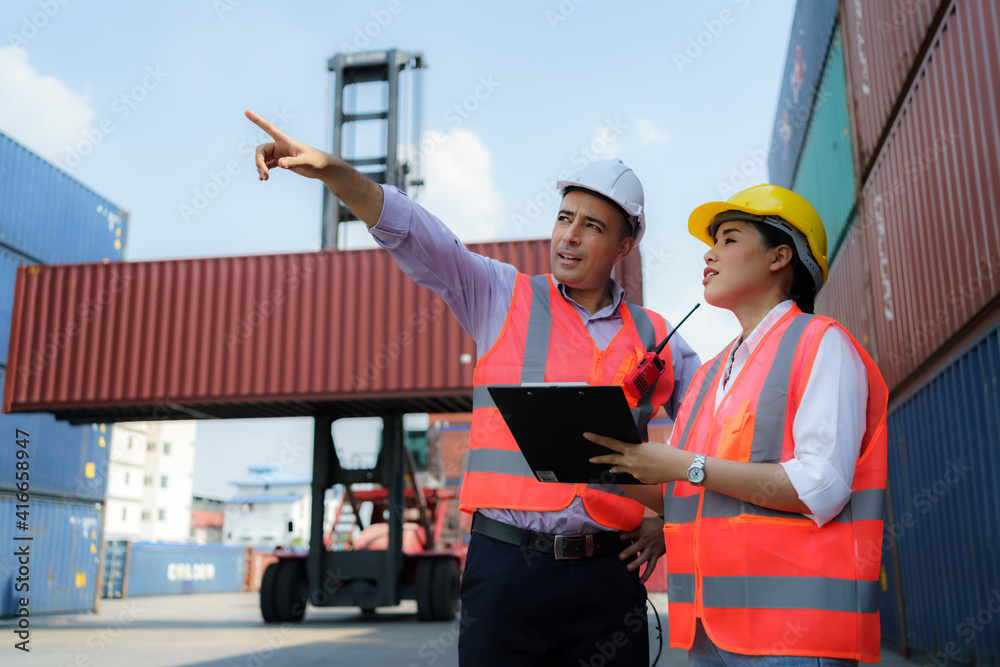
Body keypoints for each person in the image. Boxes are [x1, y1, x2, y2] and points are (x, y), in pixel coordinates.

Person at [246, 109, 701, 666]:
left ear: (625, 246)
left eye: (593, 226)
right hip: (508, 569)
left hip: (610, 576)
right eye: (564, 218)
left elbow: (716, 435)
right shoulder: (499, 295)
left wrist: (670, 522)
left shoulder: (658, 337)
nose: (570, 236)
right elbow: (416, 233)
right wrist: (332, 171)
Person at [587, 184, 888, 665]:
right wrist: (604, 461)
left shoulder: (820, 343)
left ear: (779, 257)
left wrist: (686, 466)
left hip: (792, 634)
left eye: (728, 239)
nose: (709, 254)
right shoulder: (709, 376)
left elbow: (822, 486)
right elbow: (684, 495)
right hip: (708, 630)